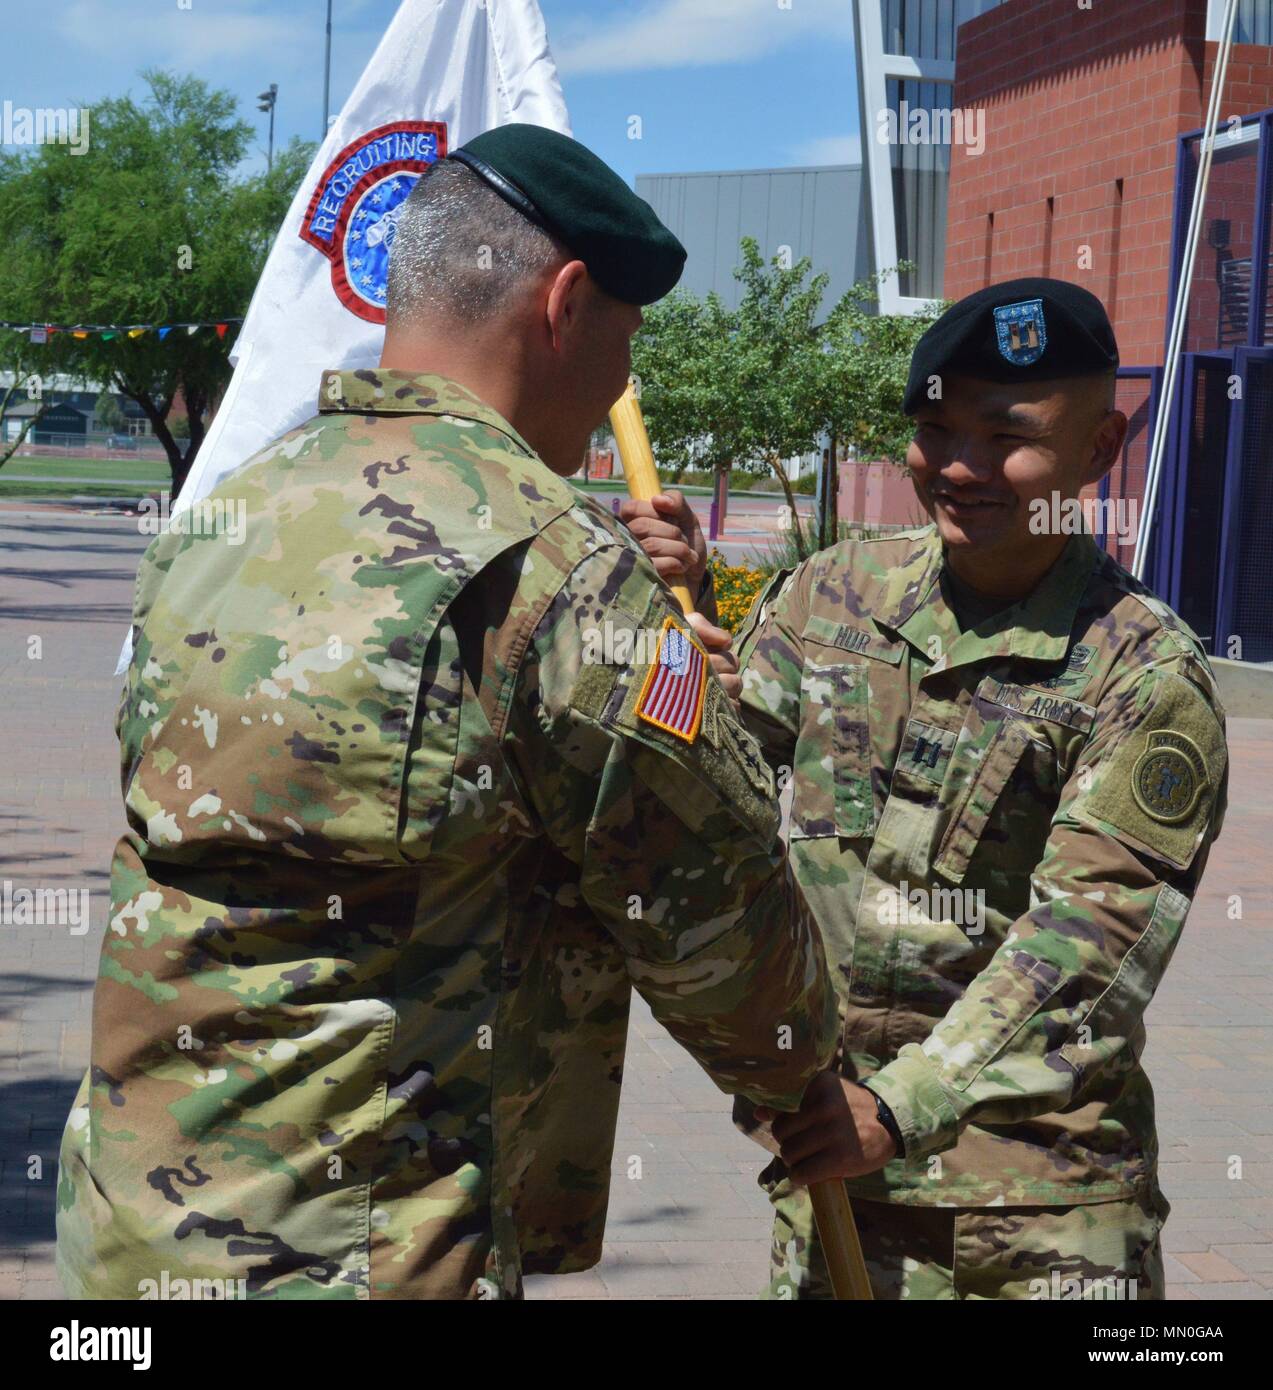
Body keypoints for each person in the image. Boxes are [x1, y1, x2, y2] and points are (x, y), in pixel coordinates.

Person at [55, 125, 837, 1301]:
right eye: (624, 342)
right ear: (567, 306)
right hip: (356, 1251)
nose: (620, 385)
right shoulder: (555, 567)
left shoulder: (222, 520)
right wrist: (813, 1090)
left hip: (127, 1230)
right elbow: (719, 927)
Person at [622, 278, 1228, 1300]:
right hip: (833, 1193)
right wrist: (659, 631)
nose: (958, 466)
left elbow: (1087, 940)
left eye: (1006, 437)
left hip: (1035, 1221)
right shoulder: (830, 596)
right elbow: (703, 791)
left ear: (1099, 448)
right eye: (934, 428)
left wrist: (898, 1107)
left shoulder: (1143, 672)